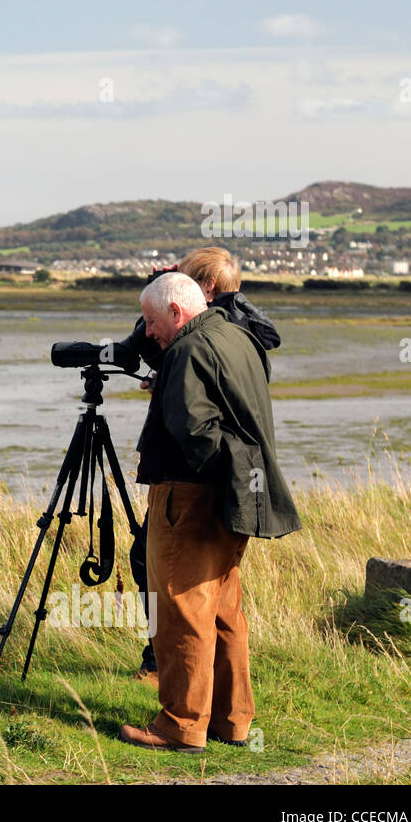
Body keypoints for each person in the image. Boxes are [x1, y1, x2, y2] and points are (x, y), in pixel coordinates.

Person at [118, 272, 301, 752]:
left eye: (152, 321)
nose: (148, 332)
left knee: (179, 610)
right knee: (222, 611)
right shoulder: (236, 336)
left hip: (191, 496)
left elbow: (194, 428)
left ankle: (180, 725)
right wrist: (234, 474)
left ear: (176, 313)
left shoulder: (187, 349)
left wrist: (205, 473)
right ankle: (232, 720)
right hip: (235, 494)